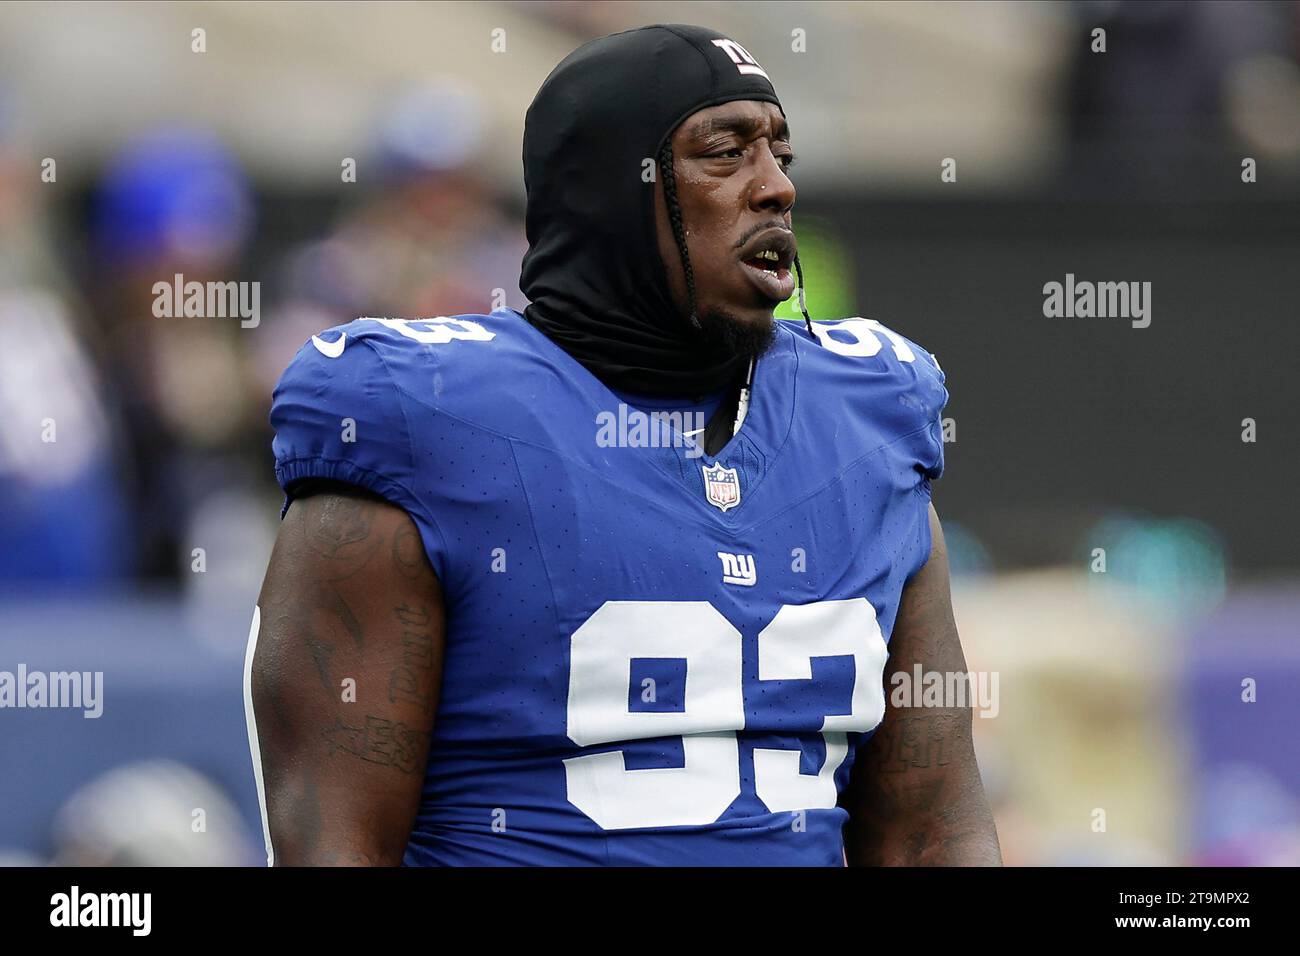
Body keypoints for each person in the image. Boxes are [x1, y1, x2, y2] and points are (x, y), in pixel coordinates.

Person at [247, 23, 1001, 866]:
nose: (776, 187)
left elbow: (934, 830)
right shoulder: (426, 422)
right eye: (726, 152)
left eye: (780, 153)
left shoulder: (869, 420)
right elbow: (336, 843)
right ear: (611, 190)